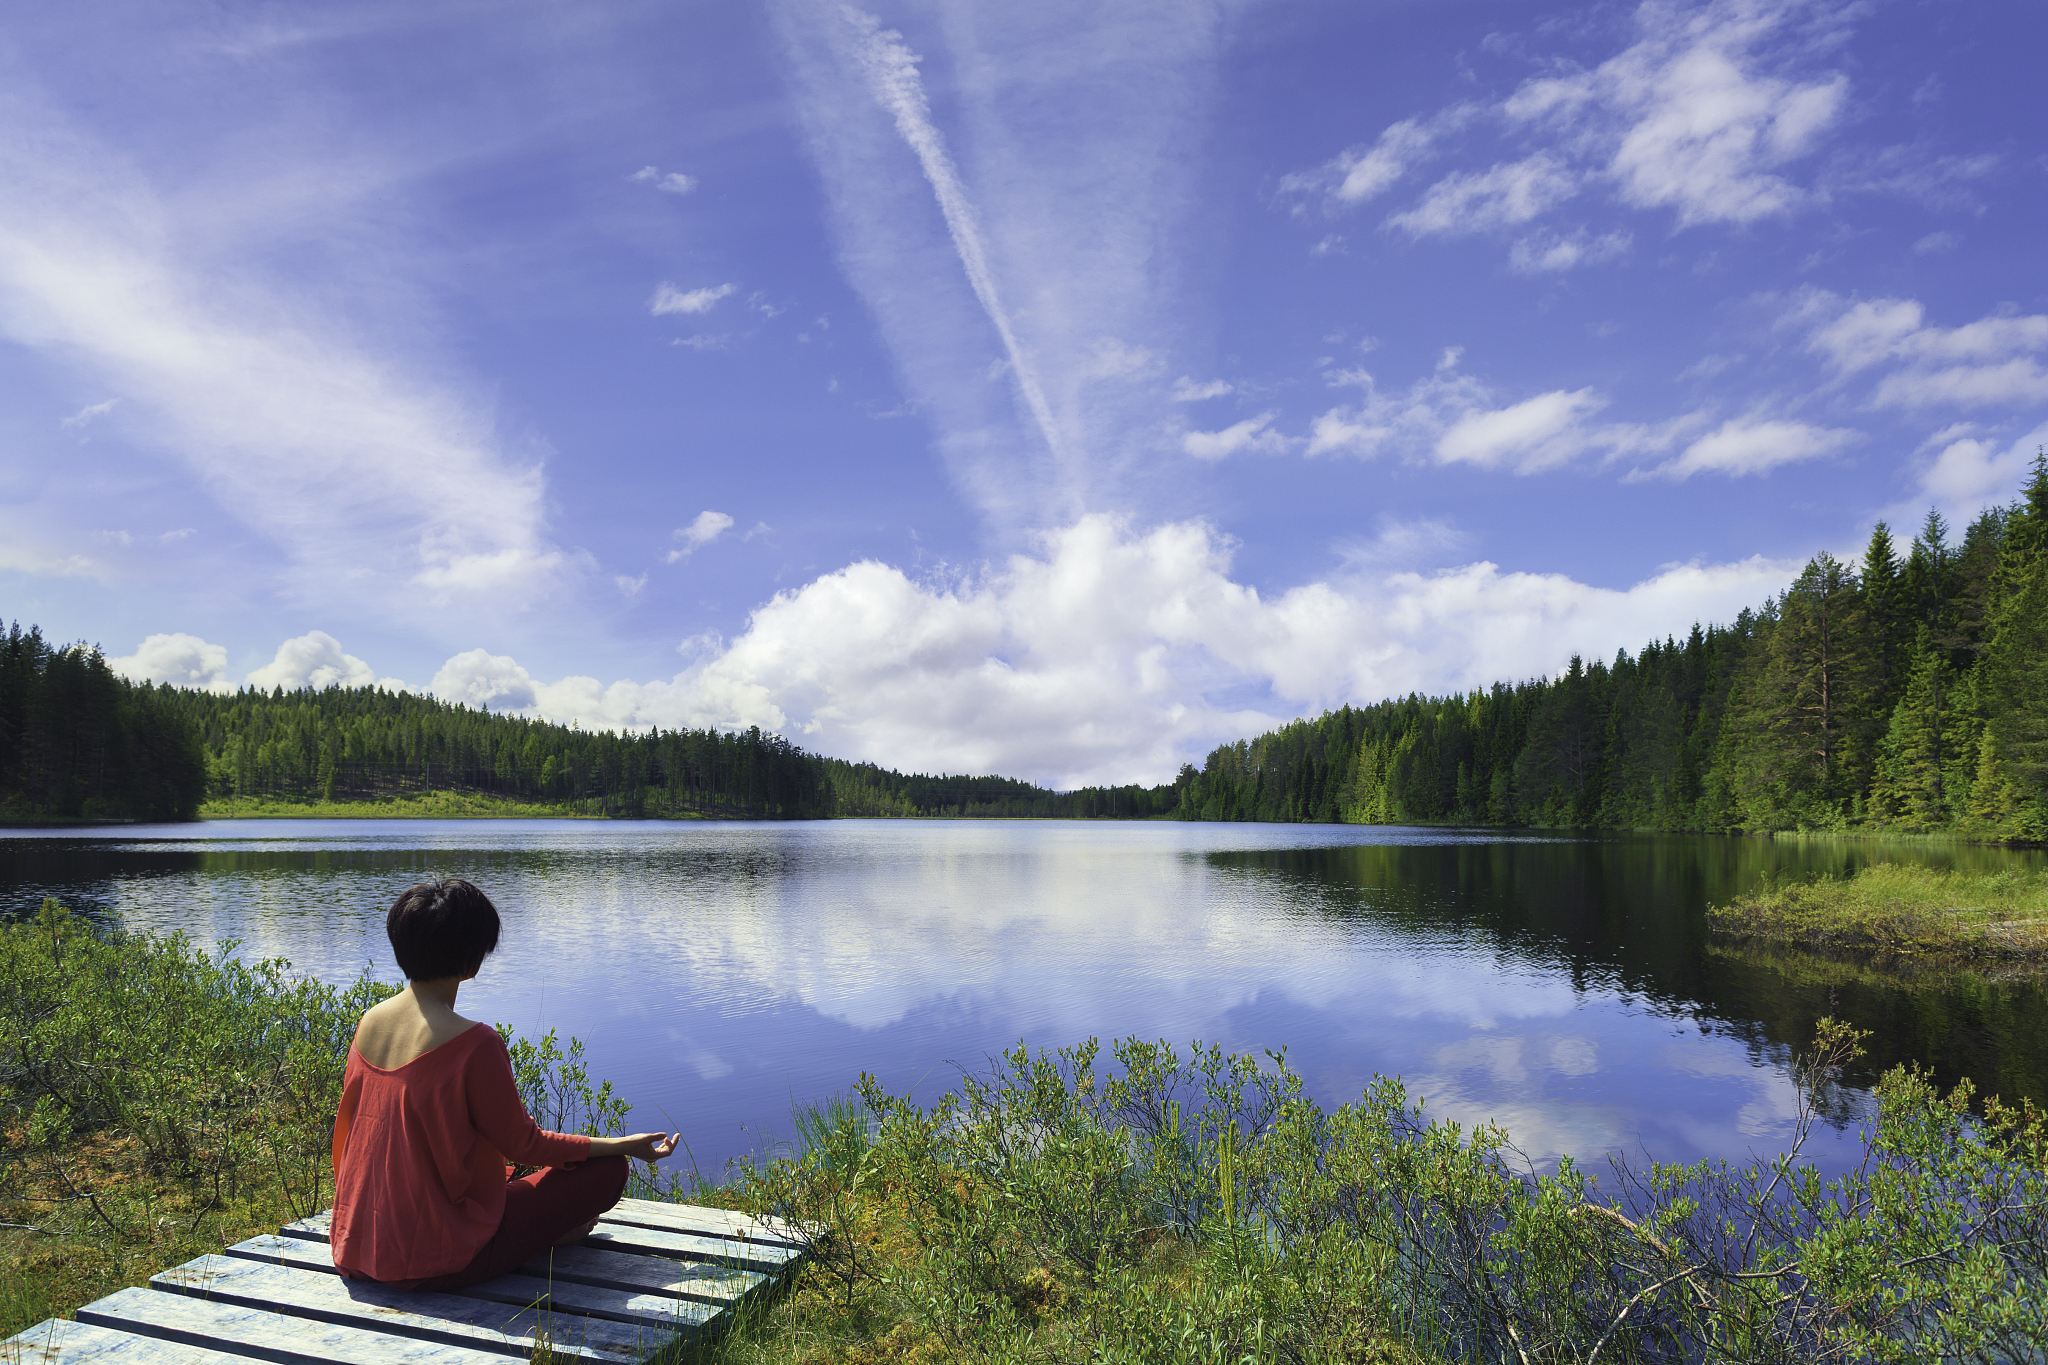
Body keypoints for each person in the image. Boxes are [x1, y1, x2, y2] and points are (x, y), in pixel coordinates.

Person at [330, 877, 677, 1289]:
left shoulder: (370, 1022)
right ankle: (539, 1239)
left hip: (356, 1247)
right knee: (606, 1171)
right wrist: (623, 1145)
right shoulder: (474, 1044)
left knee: (512, 1177)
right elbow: (525, 1145)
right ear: (472, 964)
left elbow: (352, 1134)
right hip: (441, 1260)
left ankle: (532, 1232)